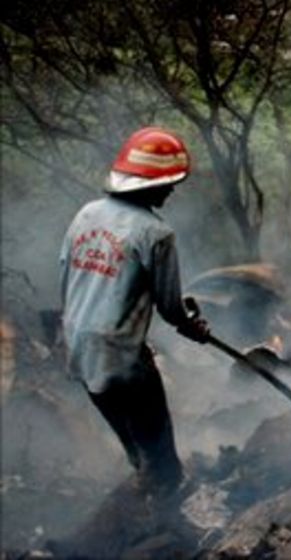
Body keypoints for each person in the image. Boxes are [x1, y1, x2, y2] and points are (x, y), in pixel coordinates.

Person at [60, 127, 210, 495]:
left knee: (135, 446)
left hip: (78, 347)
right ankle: (170, 534)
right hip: (121, 356)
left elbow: (67, 272)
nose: (172, 191)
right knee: (162, 458)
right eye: (168, 183)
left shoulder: (87, 214)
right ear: (147, 184)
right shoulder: (156, 233)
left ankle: (142, 511)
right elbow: (170, 306)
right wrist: (192, 327)